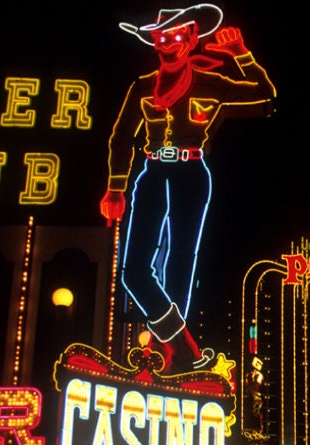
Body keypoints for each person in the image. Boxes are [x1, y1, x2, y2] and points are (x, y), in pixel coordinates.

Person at [100, 4, 276, 375]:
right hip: (152, 172)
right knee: (133, 272)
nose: (169, 42)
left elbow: (266, 97)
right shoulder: (143, 86)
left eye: (178, 35)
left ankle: (173, 358)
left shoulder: (211, 84)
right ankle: (185, 346)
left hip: (192, 173)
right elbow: (120, 139)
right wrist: (115, 188)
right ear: (154, 41)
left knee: (181, 264)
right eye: (162, 36)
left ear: (192, 38)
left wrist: (241, 54)